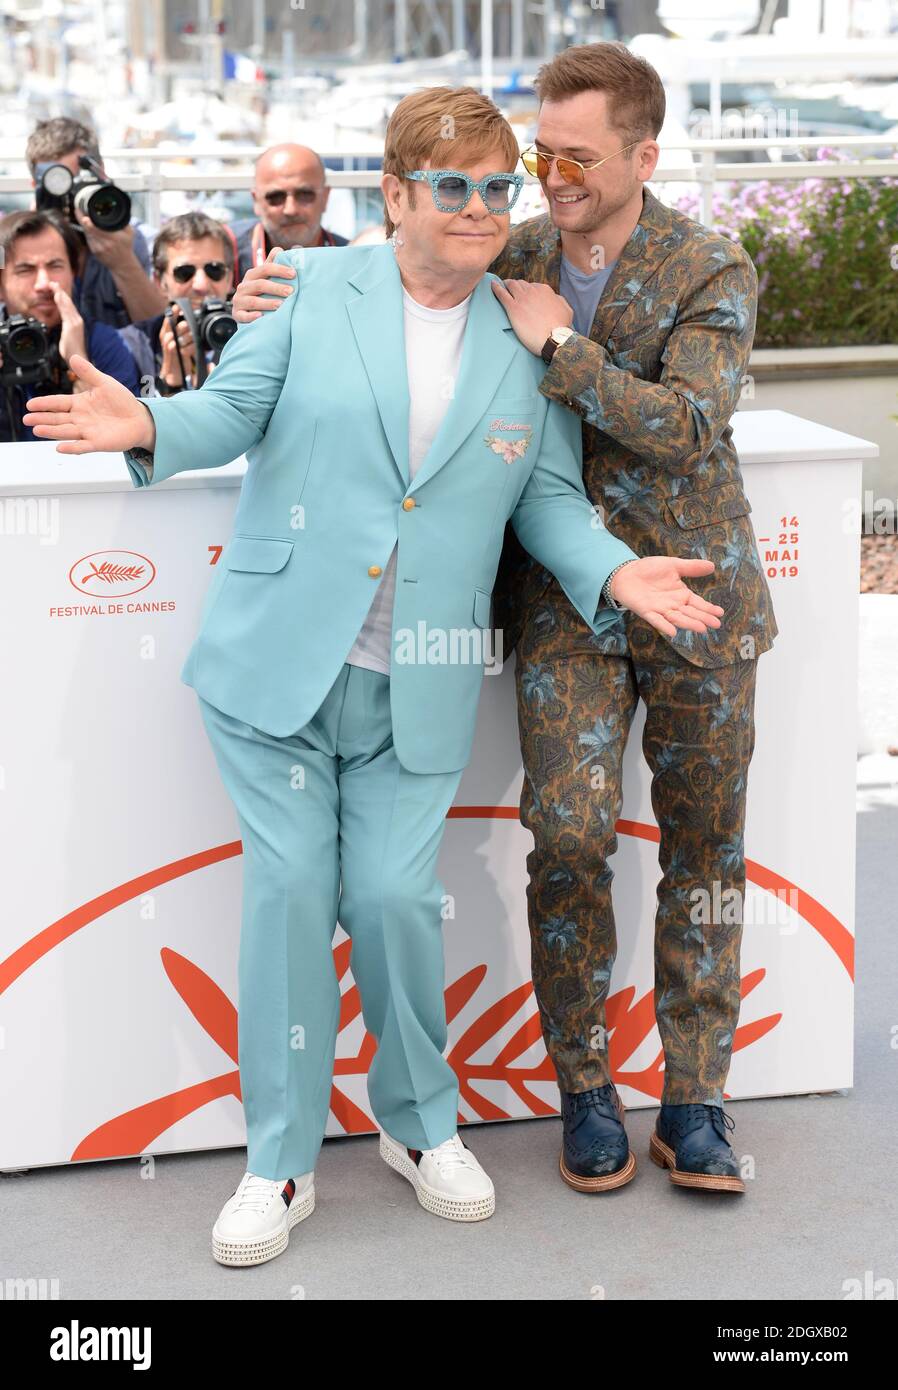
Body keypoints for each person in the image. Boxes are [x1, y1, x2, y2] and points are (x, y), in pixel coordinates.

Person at [25, 86, 723, 1268]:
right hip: (279, 663)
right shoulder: (315, 289)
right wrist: (143, 423)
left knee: (400, 904)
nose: (479, 207)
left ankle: (419, 1126)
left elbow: (548, 497)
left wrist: (616, 575)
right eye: (451, 185)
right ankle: (279, 1159)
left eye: (497, 187)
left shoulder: (524, 327)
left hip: (423, 676)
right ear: (394, 194)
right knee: (291, 895)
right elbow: (232, 411)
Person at [229, 46, 777, 1200]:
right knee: (569, 836)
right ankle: (585, 1087)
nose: (550, 177)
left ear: (643, 155)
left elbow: (684, 424)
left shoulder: (711, 262)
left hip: (695, 596)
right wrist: (270, 292)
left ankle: (694, 1100)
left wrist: (558, 348)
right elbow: (394, 286)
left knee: (704, 856)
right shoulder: (510, 241)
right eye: (543, 155)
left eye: (579, 156)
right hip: (560, 601)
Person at [0, 211, 139, 443]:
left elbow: (123, 442)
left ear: (74, 273)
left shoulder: (102, 342)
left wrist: (78, 362)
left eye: (55, 266)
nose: (43, 283)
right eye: (25, 270)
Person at [25, 116, 165, 328]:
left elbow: (160, 332)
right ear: (35, 186)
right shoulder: (13, 244)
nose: (71, 200)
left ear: (101, 173)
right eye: (58, 185)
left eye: (79, 184)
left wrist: (124, 263)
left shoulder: (143, 243)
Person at [133, 212, 237, 395]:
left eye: (214, 270)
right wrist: (170, 382)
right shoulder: (132, 347)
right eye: (184, 272)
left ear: (229, 279)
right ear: (159, 282)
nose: (201, 285)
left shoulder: (252, 340)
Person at [231, 142, 348, 281]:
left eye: (305, 194)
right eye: (275, 197)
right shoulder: (224, 258)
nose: (290, 210)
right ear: (256, 201)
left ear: (325, 197)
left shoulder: (350, 258)